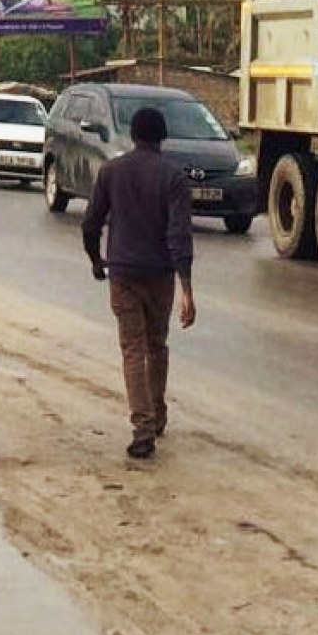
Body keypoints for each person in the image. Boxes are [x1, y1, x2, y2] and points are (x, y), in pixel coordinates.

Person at [81, 105, 196, 460]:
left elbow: (91, 223)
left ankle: (143, 427)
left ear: (133, 136)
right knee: (156, 344)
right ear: (162, 137)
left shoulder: (111, 171)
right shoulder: (174, 177)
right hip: (160, 275)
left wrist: (96, 260)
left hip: (123, 273)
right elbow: (179, 235)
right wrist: (187, 288)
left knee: (132, 348)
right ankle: (156, 413)